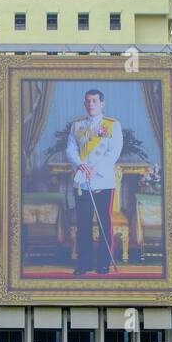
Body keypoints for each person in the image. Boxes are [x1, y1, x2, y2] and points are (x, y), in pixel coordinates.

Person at [66, 88, 123, 277]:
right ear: (84, 104)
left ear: (102, 103)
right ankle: (84, 263)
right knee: (83, 224)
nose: (91, 104)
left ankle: (103, 263)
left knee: (104, 223)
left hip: (103, 181)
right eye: (88, 101)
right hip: (82, 181)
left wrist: (94, 170)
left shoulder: (112, 125)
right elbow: (70, 150)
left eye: (95, 101)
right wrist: (81, 165)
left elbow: (113, 152)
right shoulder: (77, 126)